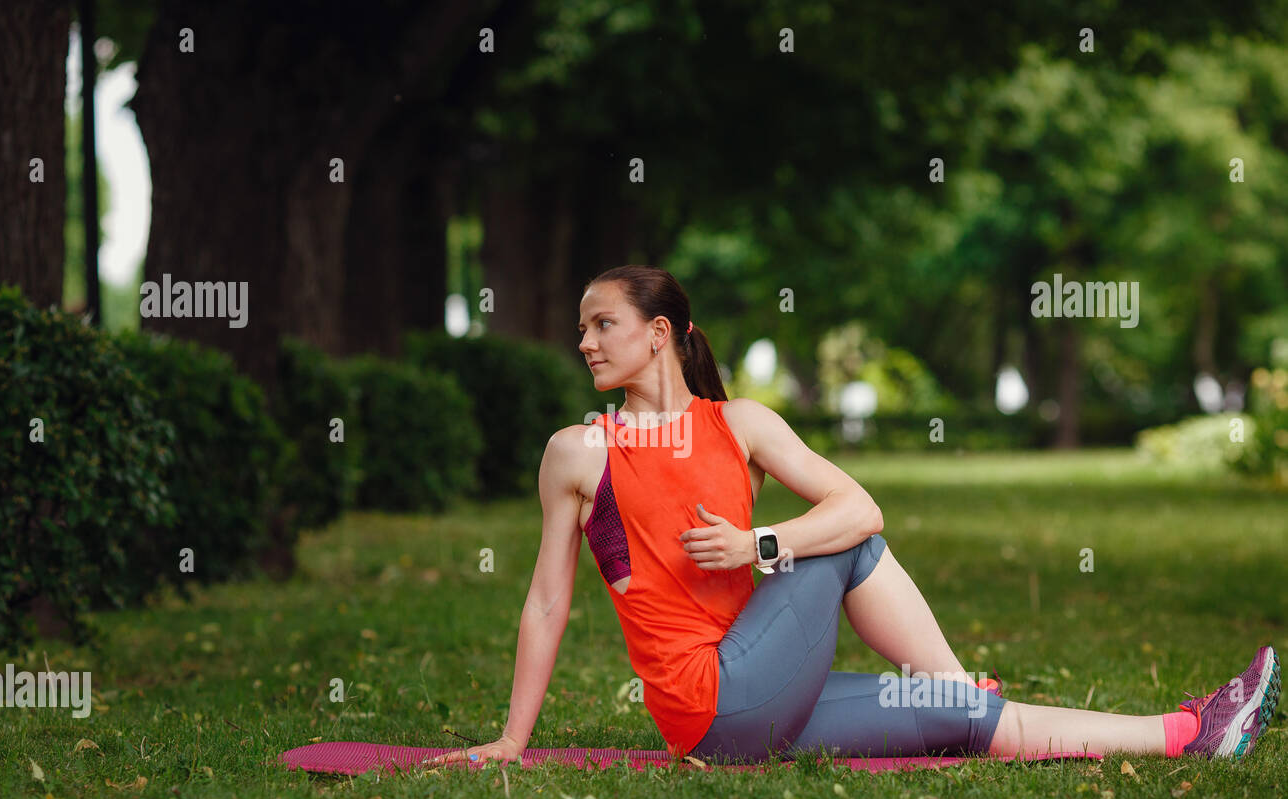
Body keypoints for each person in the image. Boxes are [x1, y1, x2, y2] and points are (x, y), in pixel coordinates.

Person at [425, 265, 1281, 767]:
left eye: (602, 325)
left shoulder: (742, 425)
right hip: (706, 702)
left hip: (758, 700)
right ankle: (953, 673)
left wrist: (758, 542)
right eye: (582, 329)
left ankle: (1188, 732)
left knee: (968, 721)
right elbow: (545, 600)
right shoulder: (579, 451)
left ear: (660, 334)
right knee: (842, 542)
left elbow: (859, 502)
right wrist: (512, 740)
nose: (584, 343)